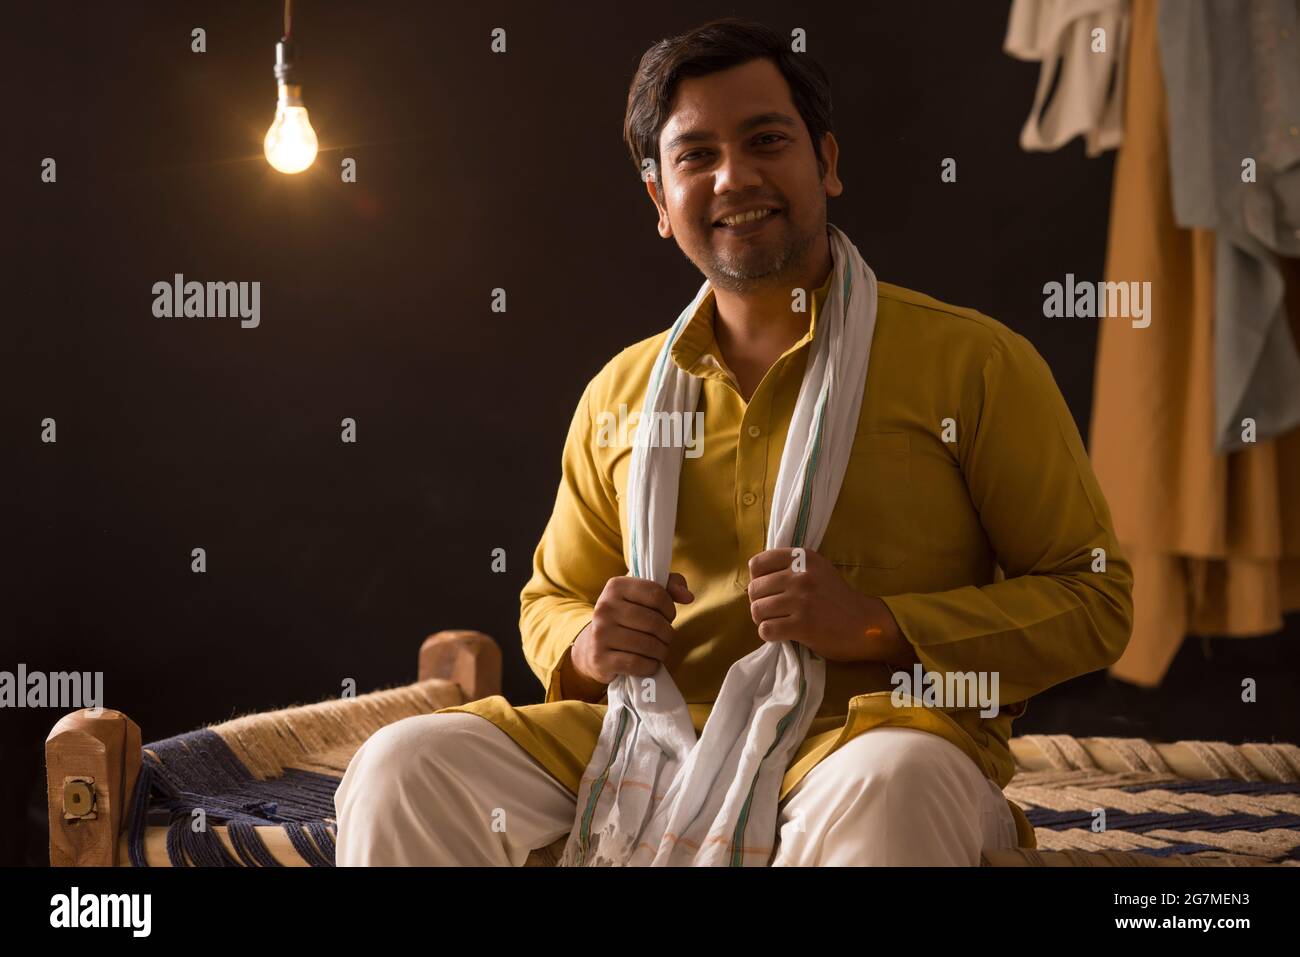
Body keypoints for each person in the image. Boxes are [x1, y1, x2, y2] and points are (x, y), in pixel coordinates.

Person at [334, 16, 1133, 866]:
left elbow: (1095, 600)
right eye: (696, 155)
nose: (734, 177)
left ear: (826, 162)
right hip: (642, 746)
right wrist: (588, 646)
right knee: (403, 764)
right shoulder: (620, 393)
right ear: (659, 200)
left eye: (766, 140)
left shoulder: (975, 363)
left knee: (895, 780)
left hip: (861, 744)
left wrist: (879, 627)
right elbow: (553, 597)